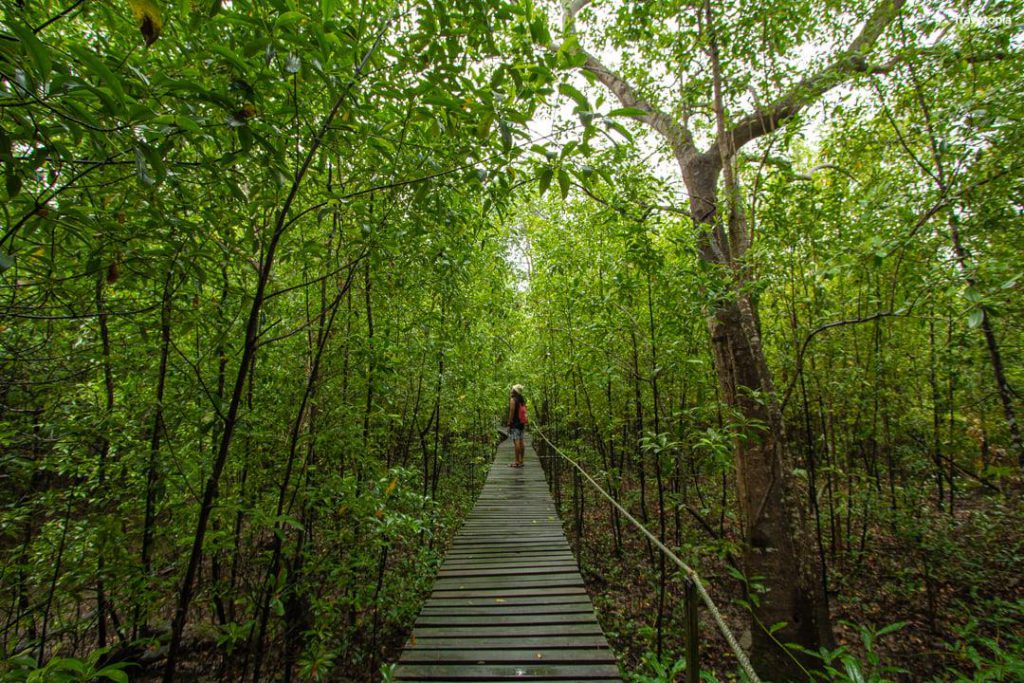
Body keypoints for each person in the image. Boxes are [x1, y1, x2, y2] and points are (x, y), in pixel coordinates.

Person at [507, 384, 527, 467]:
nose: (511, 390)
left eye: (512, 389)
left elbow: (511, 411)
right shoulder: (521, 399)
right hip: (521, 422)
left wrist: (509, 422)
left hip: (515, 423)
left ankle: (517, 461)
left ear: (514, 391)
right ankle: (521, 460)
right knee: (521, 441)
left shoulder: (513, 400)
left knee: (516, 442)